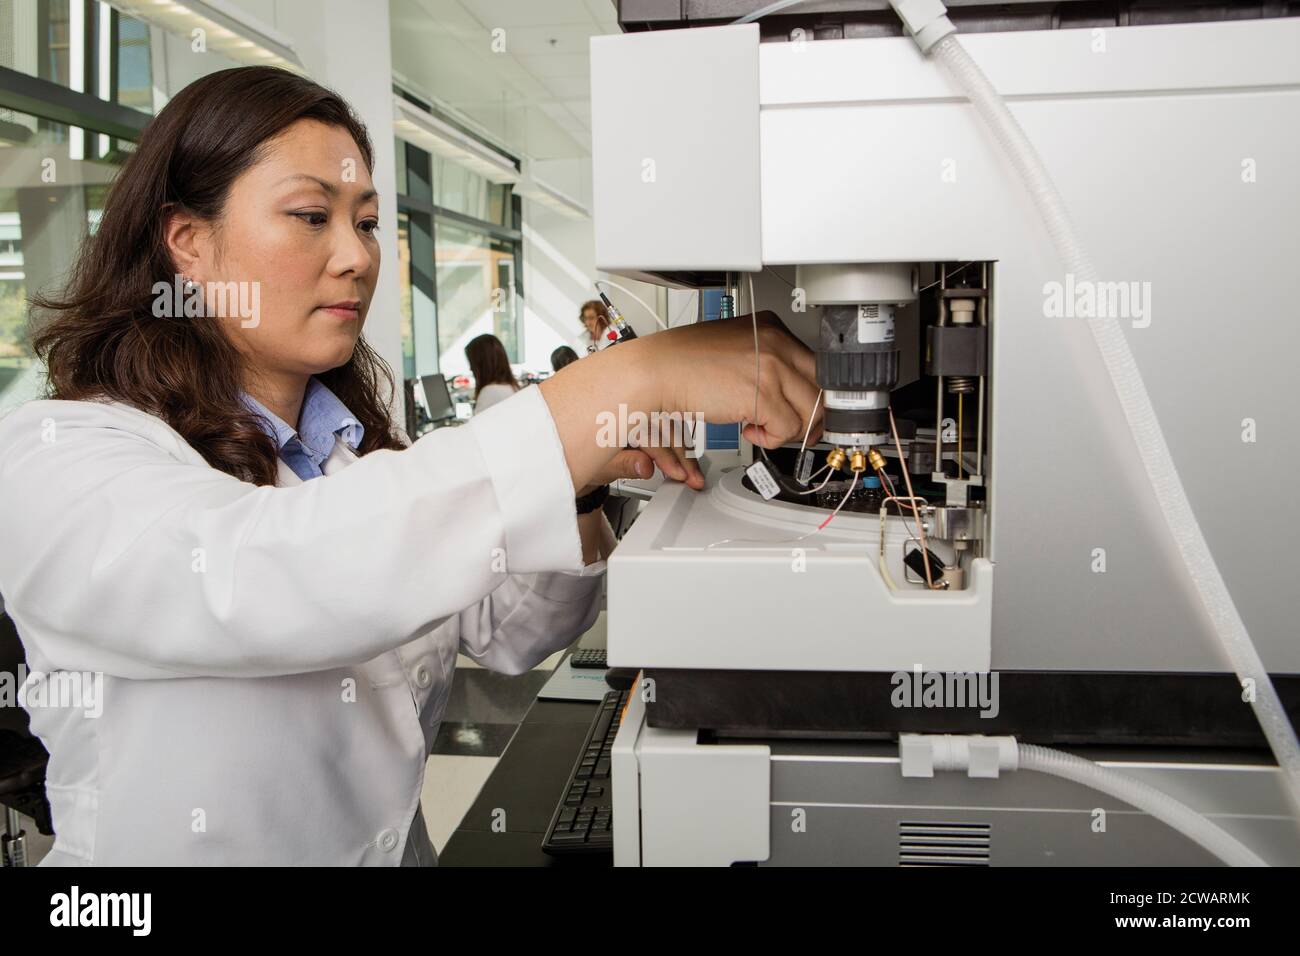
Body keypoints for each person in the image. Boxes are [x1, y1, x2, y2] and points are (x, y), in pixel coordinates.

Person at [0, 66, 820, 866]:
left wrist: (581, 477)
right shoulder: (61, 455)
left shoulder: (352, 453)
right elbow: (263, 572)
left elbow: (510, 633)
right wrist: (612, 384)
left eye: (364, 222)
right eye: (311, 216)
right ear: (189, 244)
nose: (357, 256)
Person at [463, 333, 518, 414]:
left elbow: (476, 426)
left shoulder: (490, 392)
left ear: (482, 364)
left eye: (472, 363)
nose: (471, 369)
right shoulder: (511, 387)